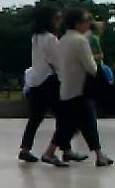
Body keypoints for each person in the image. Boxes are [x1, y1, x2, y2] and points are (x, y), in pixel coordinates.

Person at [41, 10, 110, 167]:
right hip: (81, 88)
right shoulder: (80, 41)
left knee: (73, 124)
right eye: (85, 21)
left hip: (67, 87)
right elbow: (91, 67)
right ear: (77, 23)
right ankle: (50, 152)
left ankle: (98, 155)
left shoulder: (63, 40)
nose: (88, 24)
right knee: (82, 124)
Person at [21, 5, 65, 162]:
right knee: (64, 117)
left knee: (35, 117)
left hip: (36, 80)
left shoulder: (36, 37)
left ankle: (25, 148)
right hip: (50, 80)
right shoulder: (51, 39)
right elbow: (58, 61)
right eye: (57, 18)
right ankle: (58, 150)